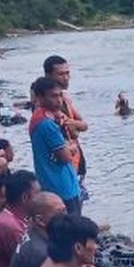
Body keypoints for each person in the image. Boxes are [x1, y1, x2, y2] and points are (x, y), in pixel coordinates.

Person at [28, 76, 82, 215]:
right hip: (61, 185)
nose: (58, 100)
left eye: (60, 95)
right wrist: (72, 147)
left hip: (53, 182)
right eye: (53, 96)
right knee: (71, 224)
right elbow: (65, 157)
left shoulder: (43, 117)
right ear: (40, 97)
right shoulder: (46, 124)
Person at [43, 55, 88, 189]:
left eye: (67, 73)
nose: (66, 77)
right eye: (61, 74)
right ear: (48, 75)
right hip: (63, 166)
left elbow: (83, 125)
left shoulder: (65, 99)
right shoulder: (44, 105)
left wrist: (72, 123)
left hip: (76, 161)